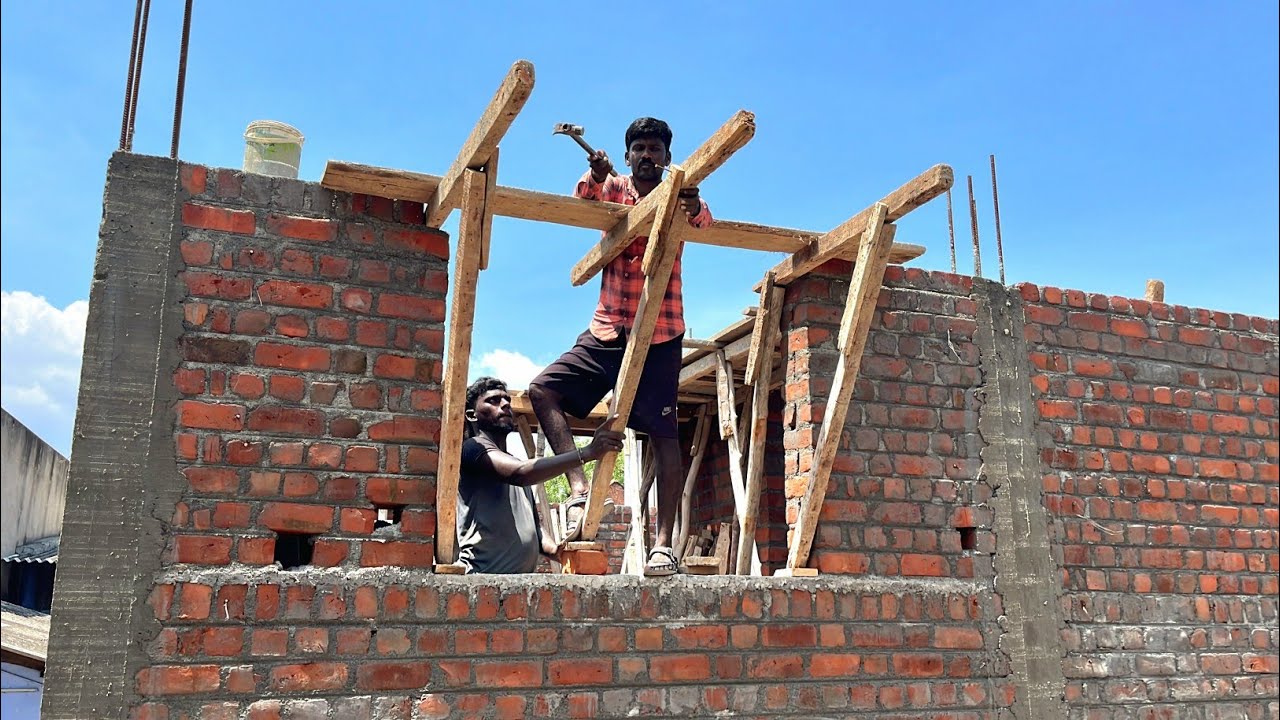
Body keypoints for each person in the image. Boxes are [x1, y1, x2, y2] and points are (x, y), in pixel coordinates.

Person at [529, 117, 712, 576]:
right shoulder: (612, 187)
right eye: (639, 149)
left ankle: (664, 546)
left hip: (660, 334)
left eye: (655, 149)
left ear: (667, 157)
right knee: (542, 390)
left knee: (664, 436)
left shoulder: (680, 196)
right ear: (628, 156)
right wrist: (595, 173)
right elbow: (584, 198)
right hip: (608, 329)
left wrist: (690, 202)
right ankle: (577, 487)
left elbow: (705, 222)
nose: (647, 156)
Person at [457, 376, 623, 574]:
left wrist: (560, 552)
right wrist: (587, 452)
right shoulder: (472, 450)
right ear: (471, 415)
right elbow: (521, 473)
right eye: (493, 401)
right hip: (480, 580)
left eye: (507, 400)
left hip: (519, 585)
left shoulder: (517, 464)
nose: (504, 405)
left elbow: (535, 527)